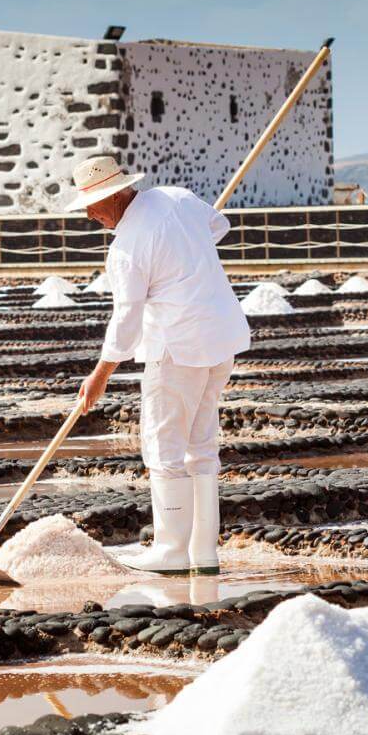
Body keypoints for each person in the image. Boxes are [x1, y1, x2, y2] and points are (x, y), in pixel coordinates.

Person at [65, 155, 251, 575]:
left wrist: (99, 376)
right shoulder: (178, 198)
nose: (91, 215)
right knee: (201, 445)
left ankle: (170, 549)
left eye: (93, 205)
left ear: (116, 195)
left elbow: (126, 319)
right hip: (220, 338)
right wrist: (185, 256)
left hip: (177, 348)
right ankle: (203, 553)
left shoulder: (127, 248)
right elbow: (218, 227)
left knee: (163, 448)